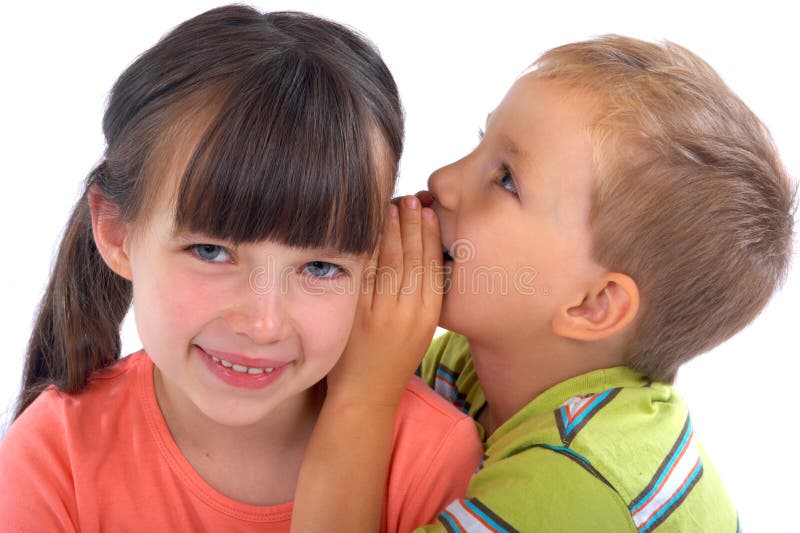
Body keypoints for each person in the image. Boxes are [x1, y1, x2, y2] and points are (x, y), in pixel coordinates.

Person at [0, 6, 482, 532]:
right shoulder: (56, 455)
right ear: (118, 233)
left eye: (320, 266)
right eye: (211, 252)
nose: (263, 324)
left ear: (376, 262)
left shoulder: (431, 458)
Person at [292, 35, 796, 532]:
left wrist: (365, 394)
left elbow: (360, 392)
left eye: (507, 179)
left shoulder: (576, 481)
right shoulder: (471, 366)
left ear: (593, 305)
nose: (443, 180)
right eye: (478, 143)